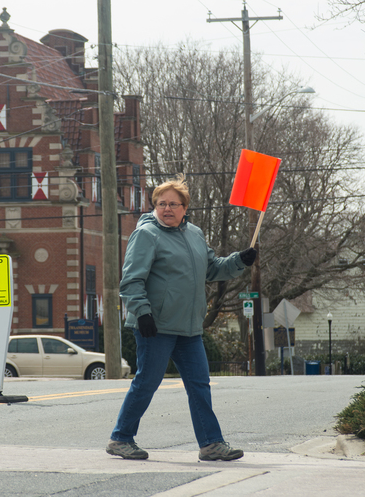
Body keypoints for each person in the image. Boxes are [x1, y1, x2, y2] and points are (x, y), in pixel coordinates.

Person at [107, 174, 256, 462]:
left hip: (189, 328)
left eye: (173, 204)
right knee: (147, 383)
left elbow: (212, 269)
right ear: (155, 207)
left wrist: (240, 261)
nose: (167, 209)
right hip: (155, 326)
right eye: (161, 203)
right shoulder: (146, 235)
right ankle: (121, 438)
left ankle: (211, 444)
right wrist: (143, 313)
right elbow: (131, 280)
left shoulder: (195, 234)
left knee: (199, 384)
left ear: (185, 208)